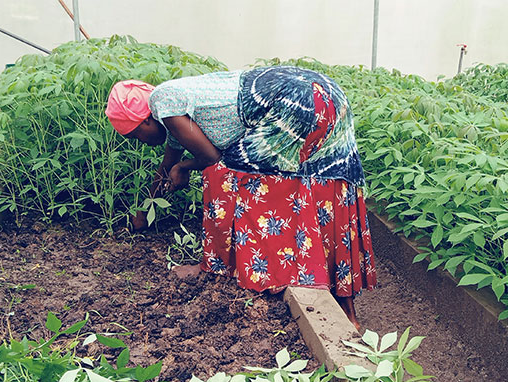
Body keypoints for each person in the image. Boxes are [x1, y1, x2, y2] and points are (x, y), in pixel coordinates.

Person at [105, 66, 376, 330]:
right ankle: (347, 313)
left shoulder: (161, 100)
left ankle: (217, 267)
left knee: (225, 175)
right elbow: (166, 167)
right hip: (327, 94)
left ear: (145, 120)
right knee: (322, 184)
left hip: (298, 98)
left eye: (135, 135)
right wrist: (142, 214)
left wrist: (184, 168)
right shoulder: (175, 113)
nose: (140, 142)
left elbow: (211, 160)